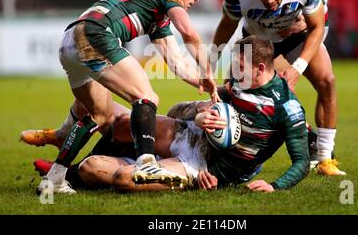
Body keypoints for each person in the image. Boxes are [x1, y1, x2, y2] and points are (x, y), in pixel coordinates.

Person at [34, 0, 220, 195]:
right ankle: (146, 164)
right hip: (96, 34)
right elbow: (189, 33)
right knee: (147, 97)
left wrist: (199, 80)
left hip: (70, 39)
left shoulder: (155, 11)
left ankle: (54, 180)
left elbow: (175, 61)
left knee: (100, 115)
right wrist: (208, 69)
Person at [31, 36, 311, 192]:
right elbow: (194, 106)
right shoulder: (236, 84)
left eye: (239, 68)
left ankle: (75, 175)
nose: (233, 75)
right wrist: (201, 113)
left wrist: (274, 186)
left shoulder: (287, 107)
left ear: (260, 70)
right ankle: (63, 169)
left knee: (114, 176)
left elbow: (301, 162)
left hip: (203, 167)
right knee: (120, 122)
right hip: (191, 136)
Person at [211, 0, 342, 175]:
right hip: (258, 37)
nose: (270, 0)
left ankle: (325, 157)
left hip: (296, 30)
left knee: (326, 80)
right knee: (237, 92)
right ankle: (222, 155)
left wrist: (298, 61)